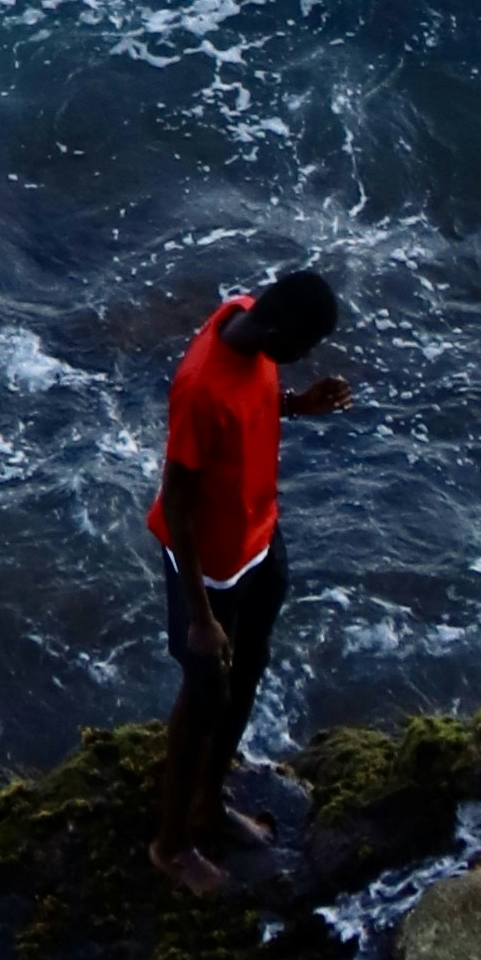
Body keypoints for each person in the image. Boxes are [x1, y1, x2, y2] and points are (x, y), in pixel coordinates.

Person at [149, 266, 349, 890]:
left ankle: (210, 803)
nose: (302, 358)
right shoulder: (199, 386)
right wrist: (202, 619)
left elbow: (251, 406)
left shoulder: (246, 314)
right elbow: (176, 501)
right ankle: (171, 843)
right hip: (208, 563)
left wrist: (296, 403)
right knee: (205, 690)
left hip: (258, 537)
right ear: (278, 327)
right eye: (303, 348)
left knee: (252, 664)